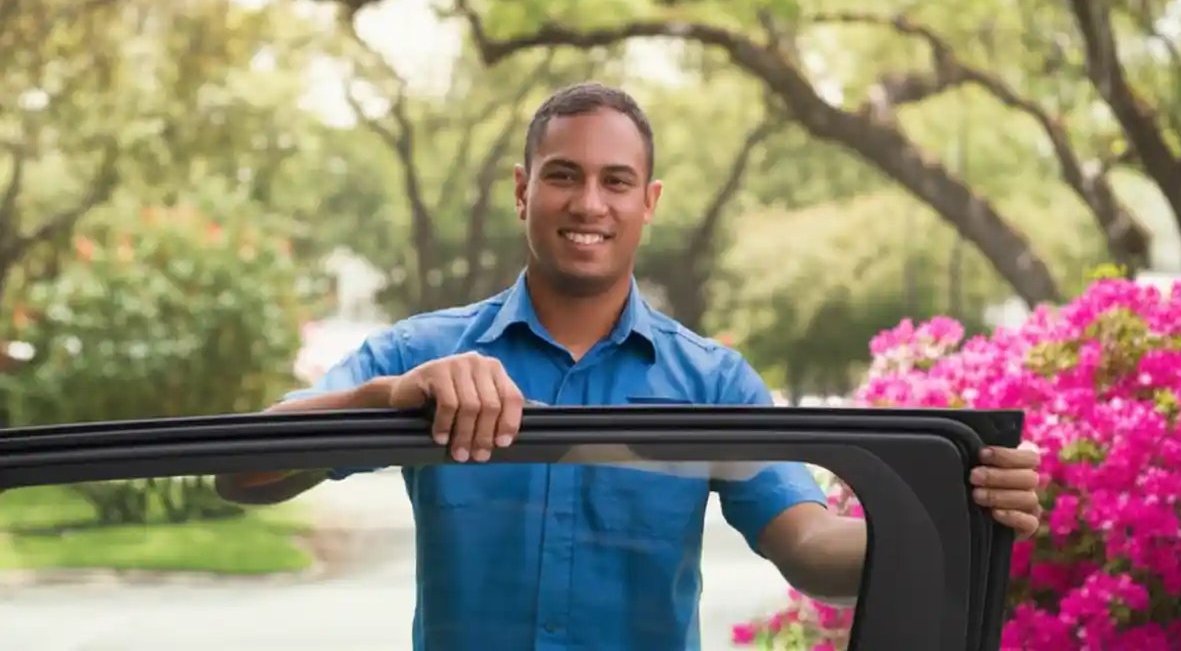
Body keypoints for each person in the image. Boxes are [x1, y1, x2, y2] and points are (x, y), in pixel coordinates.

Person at [215, 82, 1043, 650]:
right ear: (521, 189)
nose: (589, 204)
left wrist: (962, 515)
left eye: (617, 182)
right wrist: (385, 398)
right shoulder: (423, 356)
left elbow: (811, 550)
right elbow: (242, 473)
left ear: (649, 203)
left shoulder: (712, 384)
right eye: (563, 176)